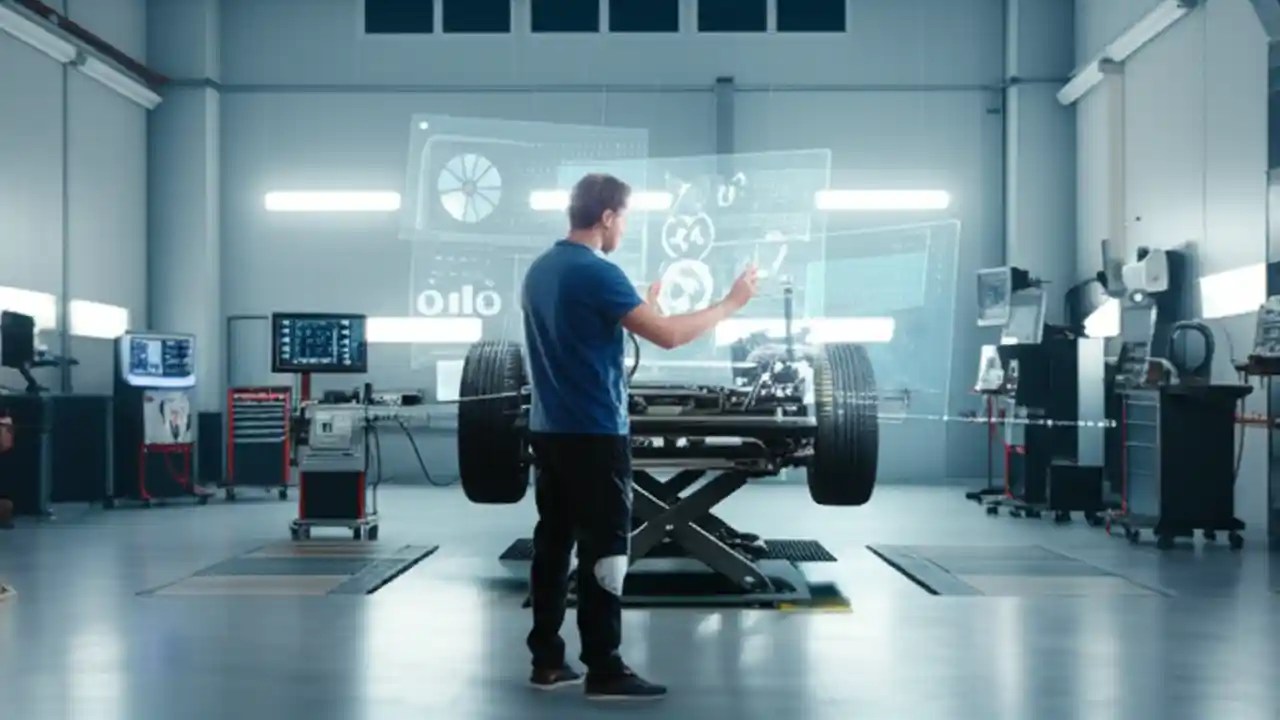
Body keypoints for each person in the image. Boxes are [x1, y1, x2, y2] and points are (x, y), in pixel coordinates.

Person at [520, 173, 758, 700]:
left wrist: (639, 303)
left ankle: (547, 662)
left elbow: (581, 331)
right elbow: (670, 337)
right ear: (607, 217)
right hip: (594, 432)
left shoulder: (542, 269)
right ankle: (604, 667)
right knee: (607, 550)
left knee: (553, 545)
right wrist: (731, 303)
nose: (623, 228)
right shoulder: (595, 272)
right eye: (623, 218)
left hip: (550, 429)